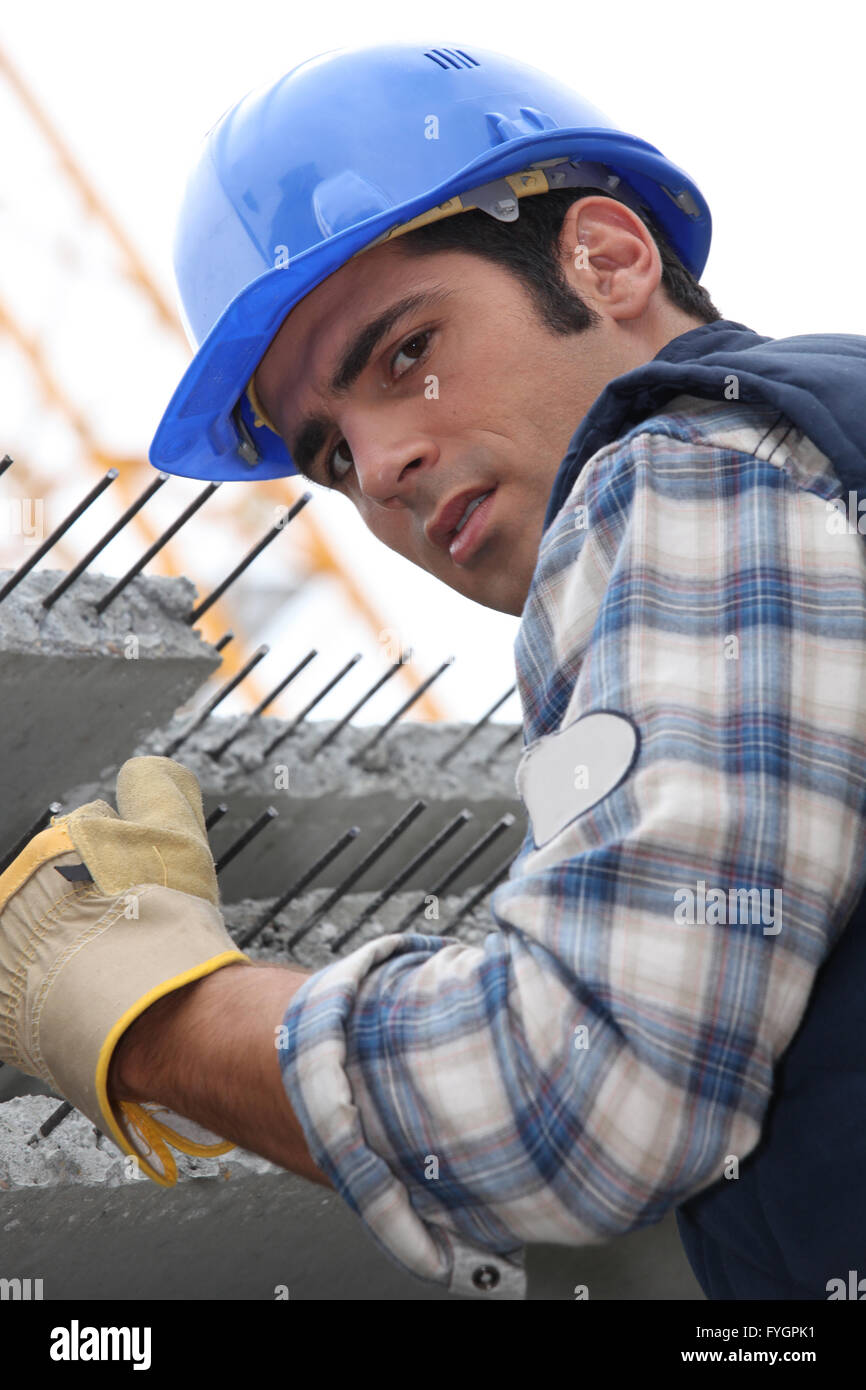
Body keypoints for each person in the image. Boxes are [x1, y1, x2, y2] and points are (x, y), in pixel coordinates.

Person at [2, 41, 866, 1303]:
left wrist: (144, 1002)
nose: (384, 469)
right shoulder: (822, 431)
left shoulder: (693, 468)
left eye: (405, 351)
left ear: (607, 258)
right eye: (332, 460)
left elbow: (583, 1096)